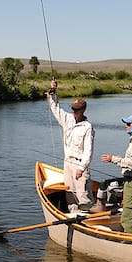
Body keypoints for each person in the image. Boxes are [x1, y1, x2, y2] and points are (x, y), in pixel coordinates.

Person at [46, 78, 94, 215]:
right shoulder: (67, 119)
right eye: (73, 109)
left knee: (83, 195)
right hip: (68, 163)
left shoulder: (87, 127)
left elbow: (88, 151)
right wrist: (53, 91)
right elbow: (55, 108)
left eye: (77, 110)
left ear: (83, 110)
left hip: (80, 165)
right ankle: (73, 216)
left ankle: (88, 221)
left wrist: (81, 168)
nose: (74, 112)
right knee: (70, 194)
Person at [101, 114, 132, 233]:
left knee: (128, 217)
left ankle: (131, 242)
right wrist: (121, 159)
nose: (126, 126)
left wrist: (114, 159)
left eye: (129, 124)